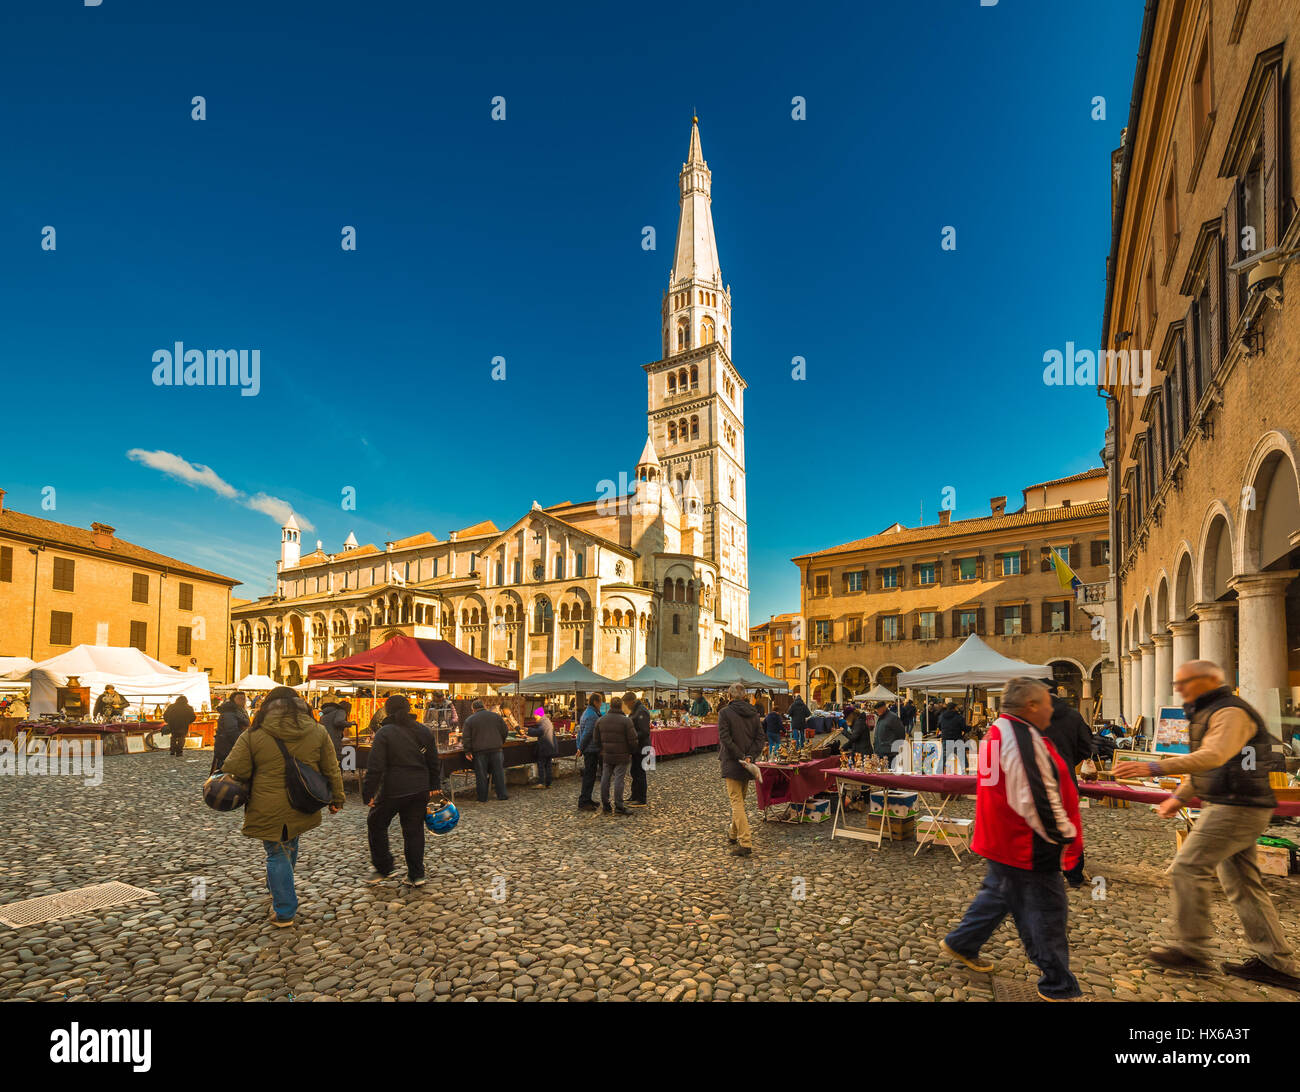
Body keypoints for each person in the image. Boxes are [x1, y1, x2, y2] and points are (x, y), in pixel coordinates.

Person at [1112, 660, 1299, 991]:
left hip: (1235, 805)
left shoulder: (1229, 712)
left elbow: (1213, 756)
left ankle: (1192, 949)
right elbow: (1210, 767)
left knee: (1187, 868)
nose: (1178, 688)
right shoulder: (1211, 712)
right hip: (1235, 803)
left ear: (1208, 681)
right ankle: (1277, 962)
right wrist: (1179, 797)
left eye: (1184, 682)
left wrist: (1153, 768)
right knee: (1243, 884)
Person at [940, 677, 1082, 1000]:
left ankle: (962, 942)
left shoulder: (997, 730)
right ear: (1031, 705)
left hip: (1000, 835)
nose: (1052, 706)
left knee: (999, 895)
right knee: (1046, 912)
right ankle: (1058, 984)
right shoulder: (1021, 738)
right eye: (1048, 701)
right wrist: (1064, 837)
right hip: (1024, 841)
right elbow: (1035, 798)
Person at [220, 686, 345, 926]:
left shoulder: (253, 734)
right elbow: (331, 767)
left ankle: (284, 910)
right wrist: (337, 797)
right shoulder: (317, 731)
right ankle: (278, 887)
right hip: (304, 800)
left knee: (277, 852)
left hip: (267, 803)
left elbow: (236, 769)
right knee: (290, 841)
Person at [362, 695, 441, 885]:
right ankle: (416, 874)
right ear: (408, 709)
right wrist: (434, 785)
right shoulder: (423, 730)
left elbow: (375, 766)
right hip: (419, 788)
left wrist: (368, 793)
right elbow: (433, 760)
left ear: (387, 710)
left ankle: (384, 868)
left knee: (376, 823)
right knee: (414, 830)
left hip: (394, 788)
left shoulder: (385, 732)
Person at [1040, 681, 1095, 887]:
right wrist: (1068, 762)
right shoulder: (1073, 715)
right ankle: (1073, 874)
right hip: (1065, 779)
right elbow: (1086, 746)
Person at [717, 682, 765, 858]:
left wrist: (741, 756)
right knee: (740, 801)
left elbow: (725, 738)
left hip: (733, 762)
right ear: (744, 696)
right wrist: (749, 756)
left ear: (729, 696)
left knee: (736, 801)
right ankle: (732, 833)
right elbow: (760, 738)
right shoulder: (753, 714)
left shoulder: (724, 713)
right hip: (746, 763)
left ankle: (745, 842)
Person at [594, 696, 638, 815]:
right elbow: (633, 740)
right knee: (619, 780)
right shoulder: (626, 721)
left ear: (610, 706)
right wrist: (631, 751)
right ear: (620, 706)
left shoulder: (601, 720)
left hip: (607, 754)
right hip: (622, 755)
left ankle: (606, 805)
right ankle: (619, 805)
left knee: (605, 779)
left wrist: (602, 749)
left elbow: (596, 740)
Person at [462, 698, 509, 802]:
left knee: (481, 774)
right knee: (499, 773)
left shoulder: (470, 720)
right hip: (496, 749)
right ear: (484, 706)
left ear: (473, 709)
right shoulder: (496, 716)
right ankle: (502, 795)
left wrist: (467, 751)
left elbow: (466, 738)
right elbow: (505, 731)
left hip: (480, 751)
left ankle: (482, 797)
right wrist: (500, 742)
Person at [575, 692, 603, 811]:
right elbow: (586, 734)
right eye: (600, 702)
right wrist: (580, 748)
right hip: (590, 749)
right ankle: (584, 801)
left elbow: (581, 733)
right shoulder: (592, 715)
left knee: (590, 776)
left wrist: (580, 747)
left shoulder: (589, 712)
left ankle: (588, 798)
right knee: (589, 776)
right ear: (596, 702)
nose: (601, 704)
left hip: (590, 748)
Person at [211, 690, 250, 773]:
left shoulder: (241, 710)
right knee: (225, 770)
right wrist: (241, 742)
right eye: (239, 699)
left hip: (232, 745)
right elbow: (231, 730)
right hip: (227, 745)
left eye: (244, 699)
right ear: (233, 700)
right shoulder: (229, 712)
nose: (242, 701)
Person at [624, 691, 651, 807]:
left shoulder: (641, 711)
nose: (626, 705)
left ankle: (641, 799)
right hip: (636, 747)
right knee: (634, 771)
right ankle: (634, 795)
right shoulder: (635, 710)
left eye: (626, 703)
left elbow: (644, 731)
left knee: (640, 772)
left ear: (632, 701)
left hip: (642, 747)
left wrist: (631, 735)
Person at [527, 706, 556, 789]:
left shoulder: (544, 722)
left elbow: (540, 731)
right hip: (549, 746)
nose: (535, 718)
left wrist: (528, 730)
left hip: (545, 746)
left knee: (541, 764)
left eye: (535, 716)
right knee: (548, 765)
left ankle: (541, 783)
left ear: (539, 715)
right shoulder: (547, 721)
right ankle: (548, 783)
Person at [938, 702, 969, 774]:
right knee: (962, 759)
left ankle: (938, 773)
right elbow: (964, 728)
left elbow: (939, 726)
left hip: (946, 740)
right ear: (954, 708)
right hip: (957, 740)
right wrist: (970, 727)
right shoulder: (959, 717)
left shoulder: (942, 716)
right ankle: (965, 774)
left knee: (943, 758)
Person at [872, 701, 906, 765]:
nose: (877, 711)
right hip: (879, 751)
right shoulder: (880, 717)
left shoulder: (893, 717)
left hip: (889, 753)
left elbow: (901, 733)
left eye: (879, 709)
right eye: (877, 710)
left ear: (884, 708)